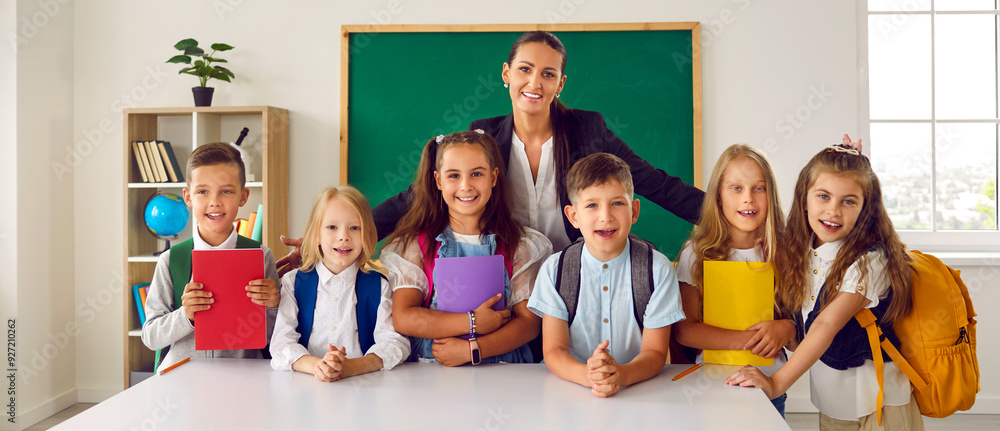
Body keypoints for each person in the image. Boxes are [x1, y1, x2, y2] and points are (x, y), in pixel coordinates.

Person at [271, 30, 705, 274]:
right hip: (508, 277)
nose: (534, 82)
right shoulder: (482, 137)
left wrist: (728, 221)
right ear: (506, 73)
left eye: (548, 74)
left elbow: (654, 184)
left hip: (581, 273)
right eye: (524, 69)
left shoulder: (587, 129)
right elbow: (416, 197)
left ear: (560, 84)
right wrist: (328, 243)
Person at [725, 139, 923, 430]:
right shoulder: (802, 251)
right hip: (834, 405)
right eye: (823, 196)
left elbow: (826, 325)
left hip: (880, 405)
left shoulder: (869, 262)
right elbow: (806, 326)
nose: (834, 211)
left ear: (866, 210)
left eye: (849, 201)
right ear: (804, 198)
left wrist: (775, 383)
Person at [380, 130, 552, 365]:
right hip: (433, 371)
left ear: (493, 177)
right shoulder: (418, 245)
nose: (465, 186)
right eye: (453, 175)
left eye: (476, 174)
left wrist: (474, 349)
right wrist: (472, 322)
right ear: (438, 181)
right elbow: (404, 317)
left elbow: (529, 324)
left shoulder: (519, 245)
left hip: (504, 371)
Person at [527, 153, 685, 398]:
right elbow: (554, 351)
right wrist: (590, 376)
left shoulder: (658, 269)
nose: (606, 216)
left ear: (634, 211)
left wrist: (620, 375)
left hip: (640, 391)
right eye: (592, 205)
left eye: (617, 203)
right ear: (573, 216)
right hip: (569, 390)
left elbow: (655, 353)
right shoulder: (554, 270)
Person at [671, 144, 795, 416]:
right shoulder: (697, 253)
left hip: (770, 387)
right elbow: (684, 331)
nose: (748, 199)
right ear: (718, 197)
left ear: (770, 195)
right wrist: (747, 340)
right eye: (736, 188)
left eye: (758, 188)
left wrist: (788, 329)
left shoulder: (784, 253)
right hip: (713, 386)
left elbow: (804, 333)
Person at [142, 142, 280, 369]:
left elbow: (274, 337)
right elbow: (151, 337)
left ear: (243, 197)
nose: (214, 201)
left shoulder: (260, 256)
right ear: (187, 197)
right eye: (202, 191)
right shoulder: (171, 260)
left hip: (245, 377)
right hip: (184, 379)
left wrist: (274, 306)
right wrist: (185, 315)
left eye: (226, 191)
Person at [269, 186, 409, 381]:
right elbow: (281, 343)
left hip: (364, 386)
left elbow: (395, 343)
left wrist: (352, 367)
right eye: (332, 227)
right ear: (316, 235)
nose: (344, 236)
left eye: (354, 228)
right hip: (305, 386)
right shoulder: (294, 282)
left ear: (368, 235)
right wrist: (318, 366)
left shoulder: (380, 285)